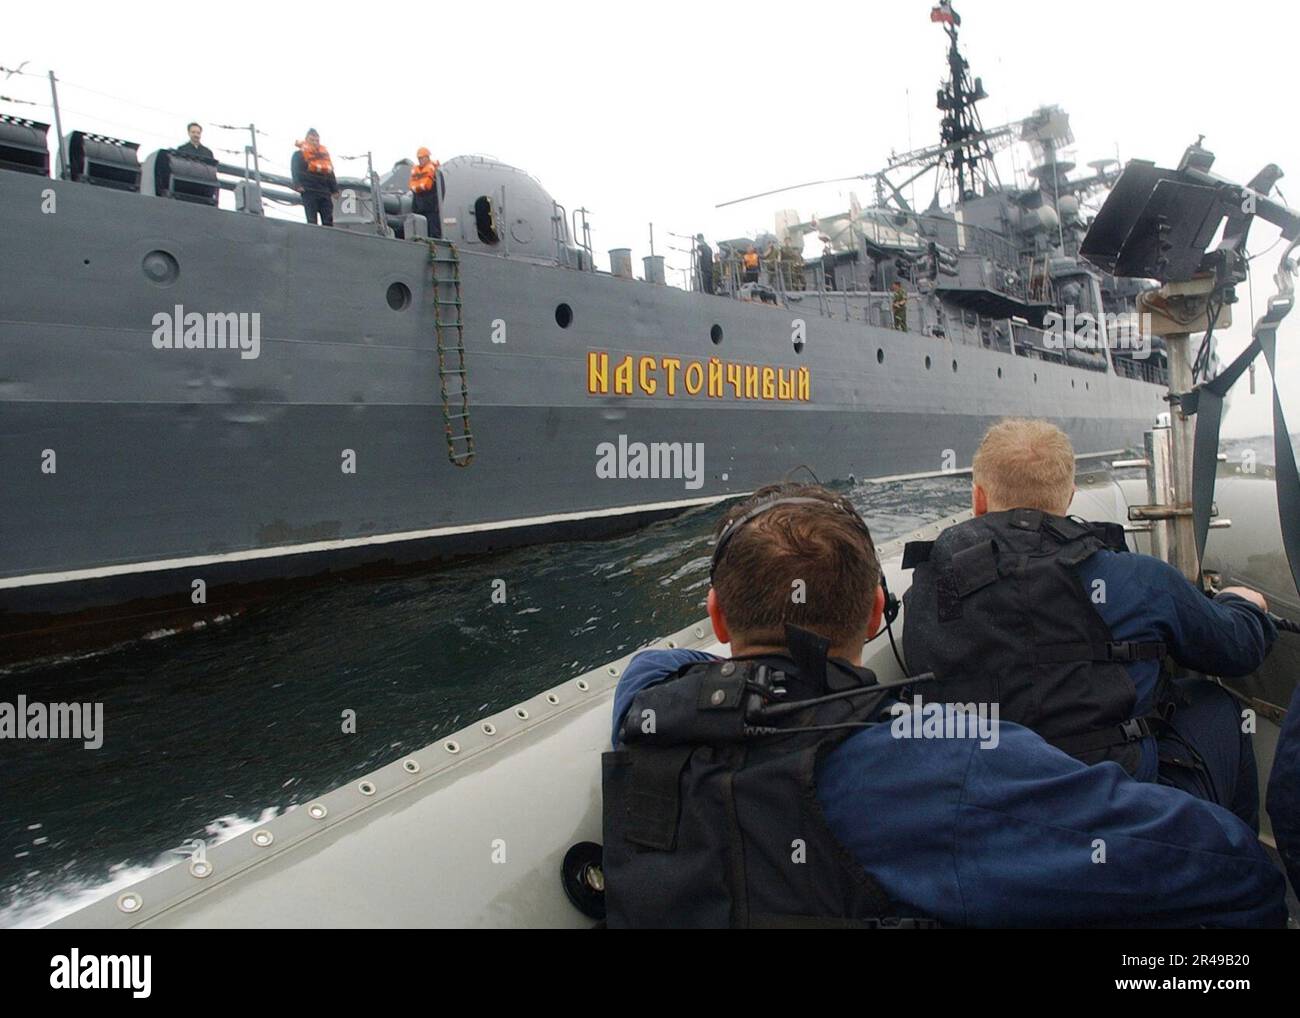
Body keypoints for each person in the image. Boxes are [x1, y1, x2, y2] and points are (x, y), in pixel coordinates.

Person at [603, 483, 1287, 928]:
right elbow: (1235, 870)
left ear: (717, 619)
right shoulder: (951, 767)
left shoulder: (648, 709)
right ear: (877, 612)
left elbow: (662, 662)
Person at [903, 418, 1276, 825]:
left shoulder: (928, 588)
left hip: (987, 815)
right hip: (1116, 813)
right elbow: (1239, 650)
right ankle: (1229, 864)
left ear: (977, 499)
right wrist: (1244, 607)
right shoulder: (1139, 578)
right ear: (1069, 498)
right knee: (1216, 704)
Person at [291, 129, 339, 227]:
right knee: (312, 220)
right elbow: (295, 170)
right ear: (306, 139)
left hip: (324, 191)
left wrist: (334, 190)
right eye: (312, 140)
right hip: (309, 190)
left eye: (316, 140)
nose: (314, 142)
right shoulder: (298, 155)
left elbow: (330, 172)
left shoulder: (323, 157)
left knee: (328, 219)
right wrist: (297, 185)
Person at [409, 147, 441, 239]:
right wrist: (414, 208)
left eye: (423, 158)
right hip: (420, 208)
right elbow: (415, 193)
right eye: (419, 158)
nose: (421, 160)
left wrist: (436, 205)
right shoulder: (417, 174)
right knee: (421, 231)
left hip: (432, 208)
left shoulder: (436, 172)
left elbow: (440, 189)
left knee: (434, 231)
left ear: (428, 157)